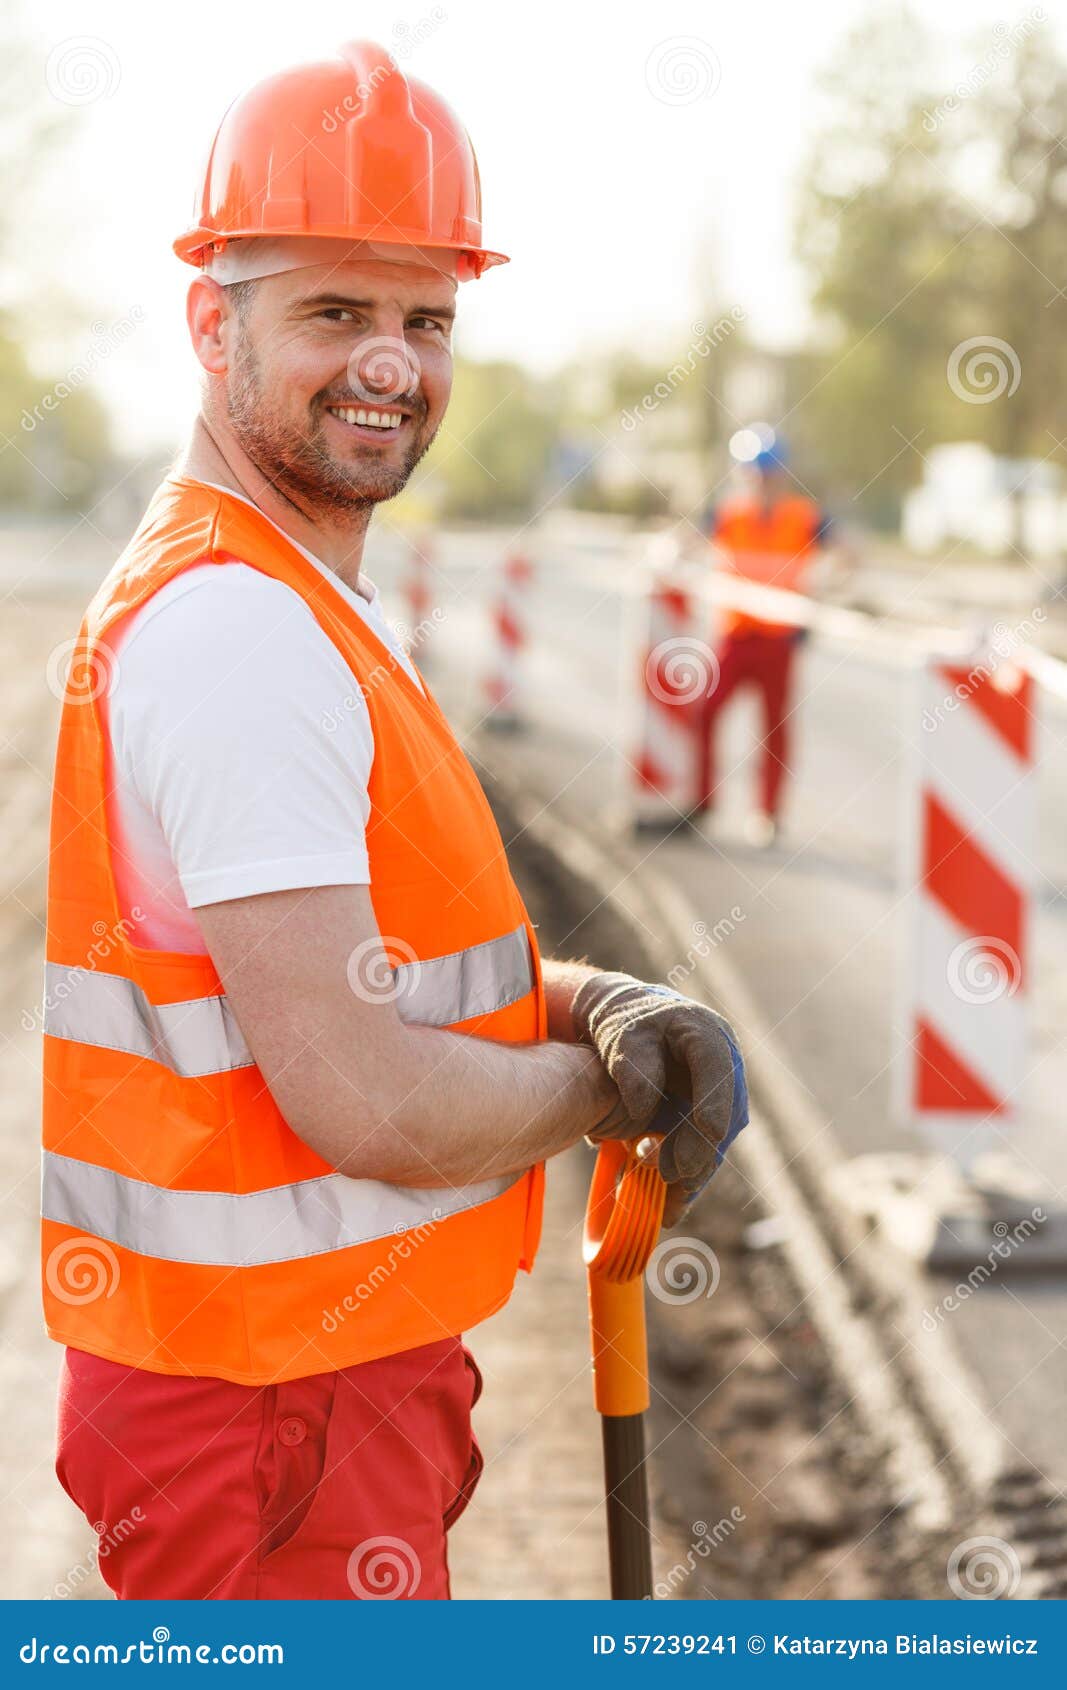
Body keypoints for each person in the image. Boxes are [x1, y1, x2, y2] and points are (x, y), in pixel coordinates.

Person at [41, 41, 748, 1601]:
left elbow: (372, 968)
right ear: (208, 321)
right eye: (335, 312)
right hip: (266, 1411)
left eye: (425, 318)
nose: (392, 363)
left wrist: (587, 997)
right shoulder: (237, 633)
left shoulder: (301, 605)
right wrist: (598, 1088)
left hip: (318, 1376)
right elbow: (366, 1095)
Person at [695, 436, 839, 846]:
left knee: (774, 728)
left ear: (780, 475)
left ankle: (768, 813)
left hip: (778, 640)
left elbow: (846, 552)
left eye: (767, 474)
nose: (759, 481)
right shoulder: (728, 514)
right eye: (752, 474)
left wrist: (823, 595)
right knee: (706, 710)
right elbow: (688, 540)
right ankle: (703, 798)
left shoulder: (803, 516)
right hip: (736, 636)